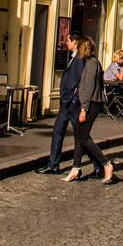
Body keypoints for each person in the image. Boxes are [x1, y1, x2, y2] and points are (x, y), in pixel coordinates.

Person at [65, 38, 114, 184]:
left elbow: (89, 88)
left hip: (91, 104)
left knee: (83, 137)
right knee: (80, 135)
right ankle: (76, 168)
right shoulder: (92, 62)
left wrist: (83, 109)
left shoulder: (92, 64)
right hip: (90, 103)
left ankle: (106, 164)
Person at [35, 32, 83, 175]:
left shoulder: (79, 59)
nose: (66, 43)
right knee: (58, 131)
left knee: (81, 136)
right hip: (66, 104)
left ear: (75, 42)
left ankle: (99, 163)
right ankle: (53, 165)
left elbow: (78, 80)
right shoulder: (73, 57)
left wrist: (73, 98)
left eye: (68, 41)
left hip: (72, 104)